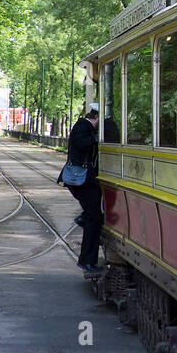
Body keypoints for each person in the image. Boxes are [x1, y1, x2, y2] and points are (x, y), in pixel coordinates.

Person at [64, 104, 103, 273]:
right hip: (81, 180)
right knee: (94, 219)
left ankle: (83, 218)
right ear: (96, 118)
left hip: (85, 181)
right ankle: (87, 260)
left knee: (93, 216)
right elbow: (81, 144)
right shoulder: (82, 126)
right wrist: (97, 138)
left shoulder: (85, 127)